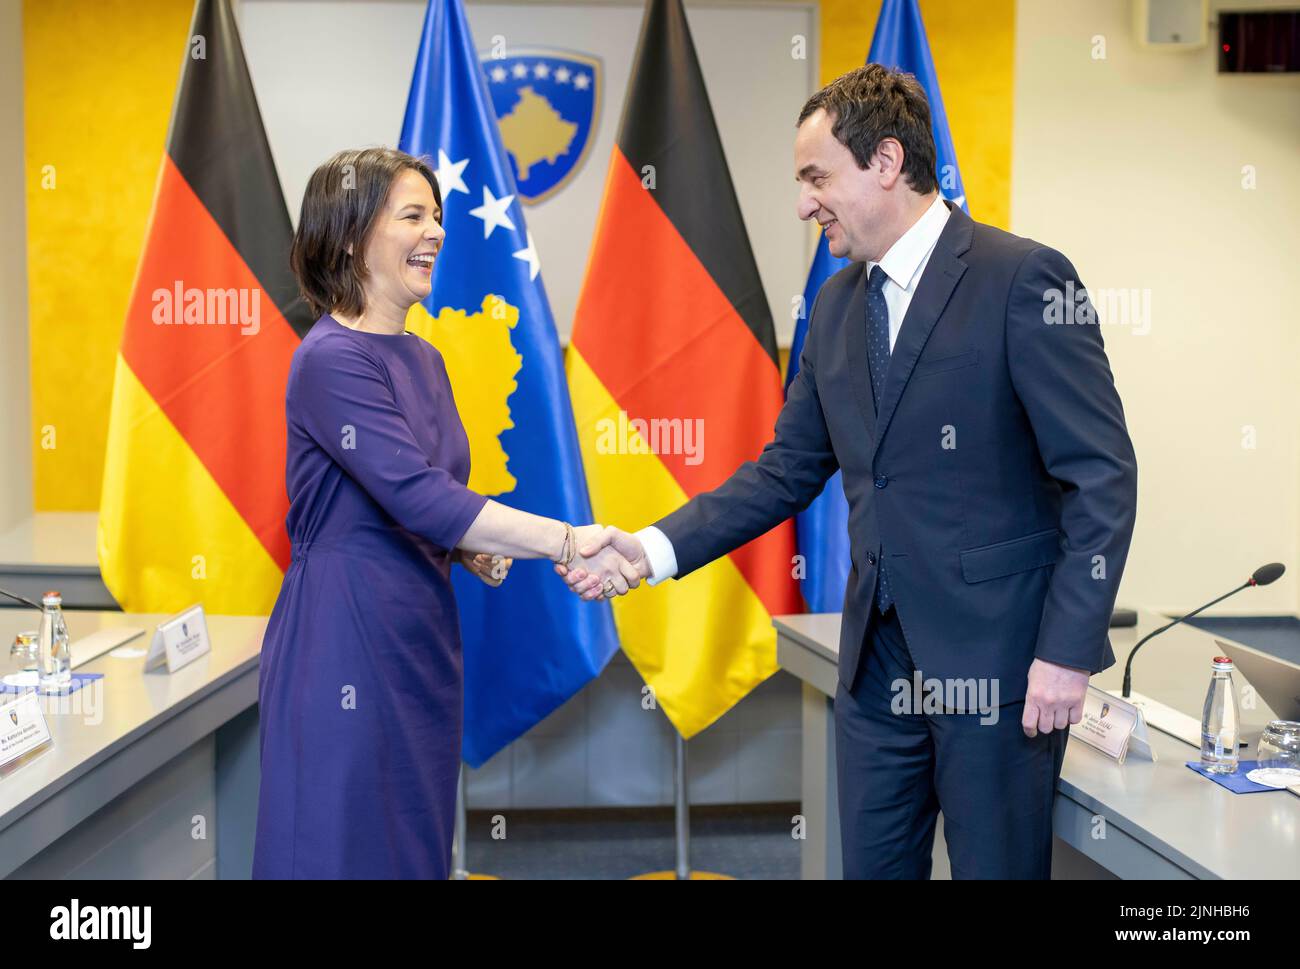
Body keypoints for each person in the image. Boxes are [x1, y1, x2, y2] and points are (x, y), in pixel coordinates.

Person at [562, 65, 1139, 879]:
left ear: (888, 162)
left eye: (815, 177)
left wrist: (1068, 650)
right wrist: (652, 548)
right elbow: (784, 471)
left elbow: (1102, 477)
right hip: (875, 670)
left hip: (1002, 668)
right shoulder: (834, 307)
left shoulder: (1024, 279)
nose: (805, 204)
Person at [254, 147, 637, 879]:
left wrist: (467, 549)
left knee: (414, 847)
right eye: (412, 216)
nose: (435, 231)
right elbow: (421, 497)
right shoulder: (329, 359)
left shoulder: (425, 359)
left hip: (420, 637)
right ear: (347, 238)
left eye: (437, 215)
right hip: (345, 635)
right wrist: (567, 540)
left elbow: (424, 491)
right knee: (343, 846)